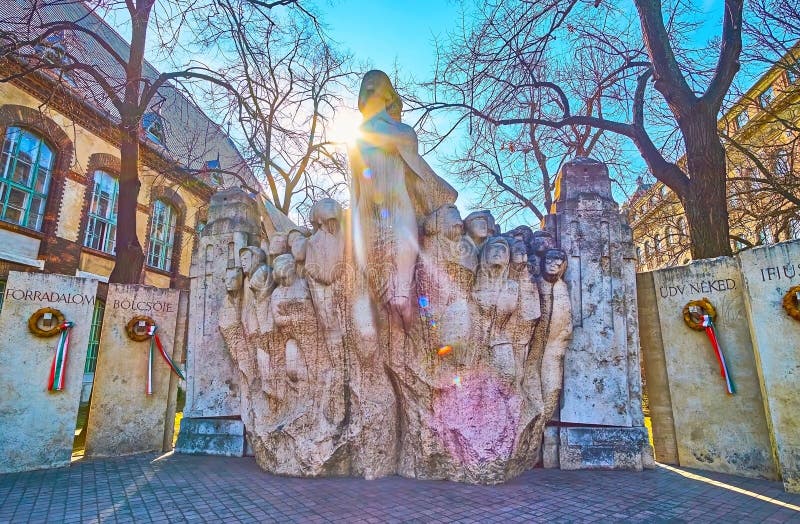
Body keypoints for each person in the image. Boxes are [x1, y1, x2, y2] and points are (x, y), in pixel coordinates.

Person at [349, 70, 457, 324]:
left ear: (388, 93)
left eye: (375, 84)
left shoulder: (403, 131)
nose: (368, 87)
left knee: (400, 293)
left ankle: (408, 306)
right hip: (366, 208)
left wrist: (371, 125)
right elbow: (354, 185)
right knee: (374, 284)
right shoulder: (355, 140)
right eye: (365, 86)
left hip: (397, 203)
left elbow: (389, 140)